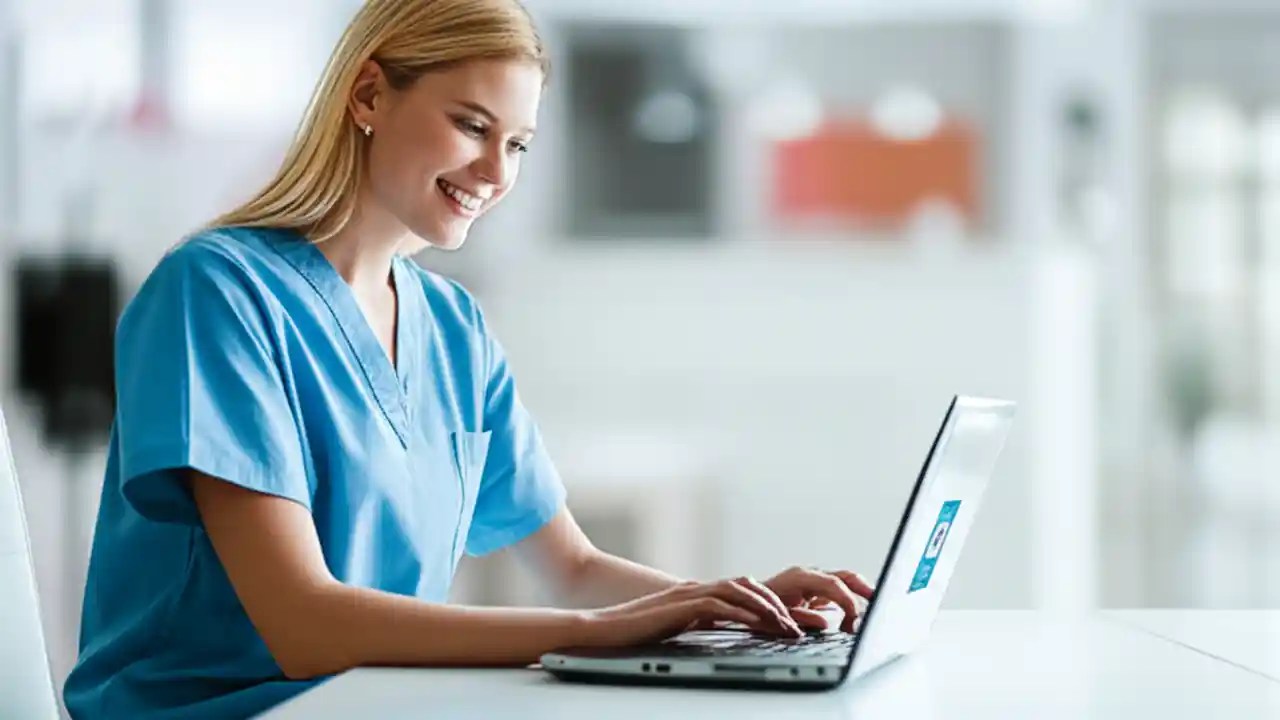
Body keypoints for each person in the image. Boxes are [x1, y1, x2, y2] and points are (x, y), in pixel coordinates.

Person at [63, 1, 874, 717]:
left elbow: (575, 567)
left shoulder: (454, 329)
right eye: (473, 126)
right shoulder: (218, 292)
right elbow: (304, 625)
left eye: (517, 144)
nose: (496, 172)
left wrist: (741, 607)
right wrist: (592, 637)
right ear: (370, 94)